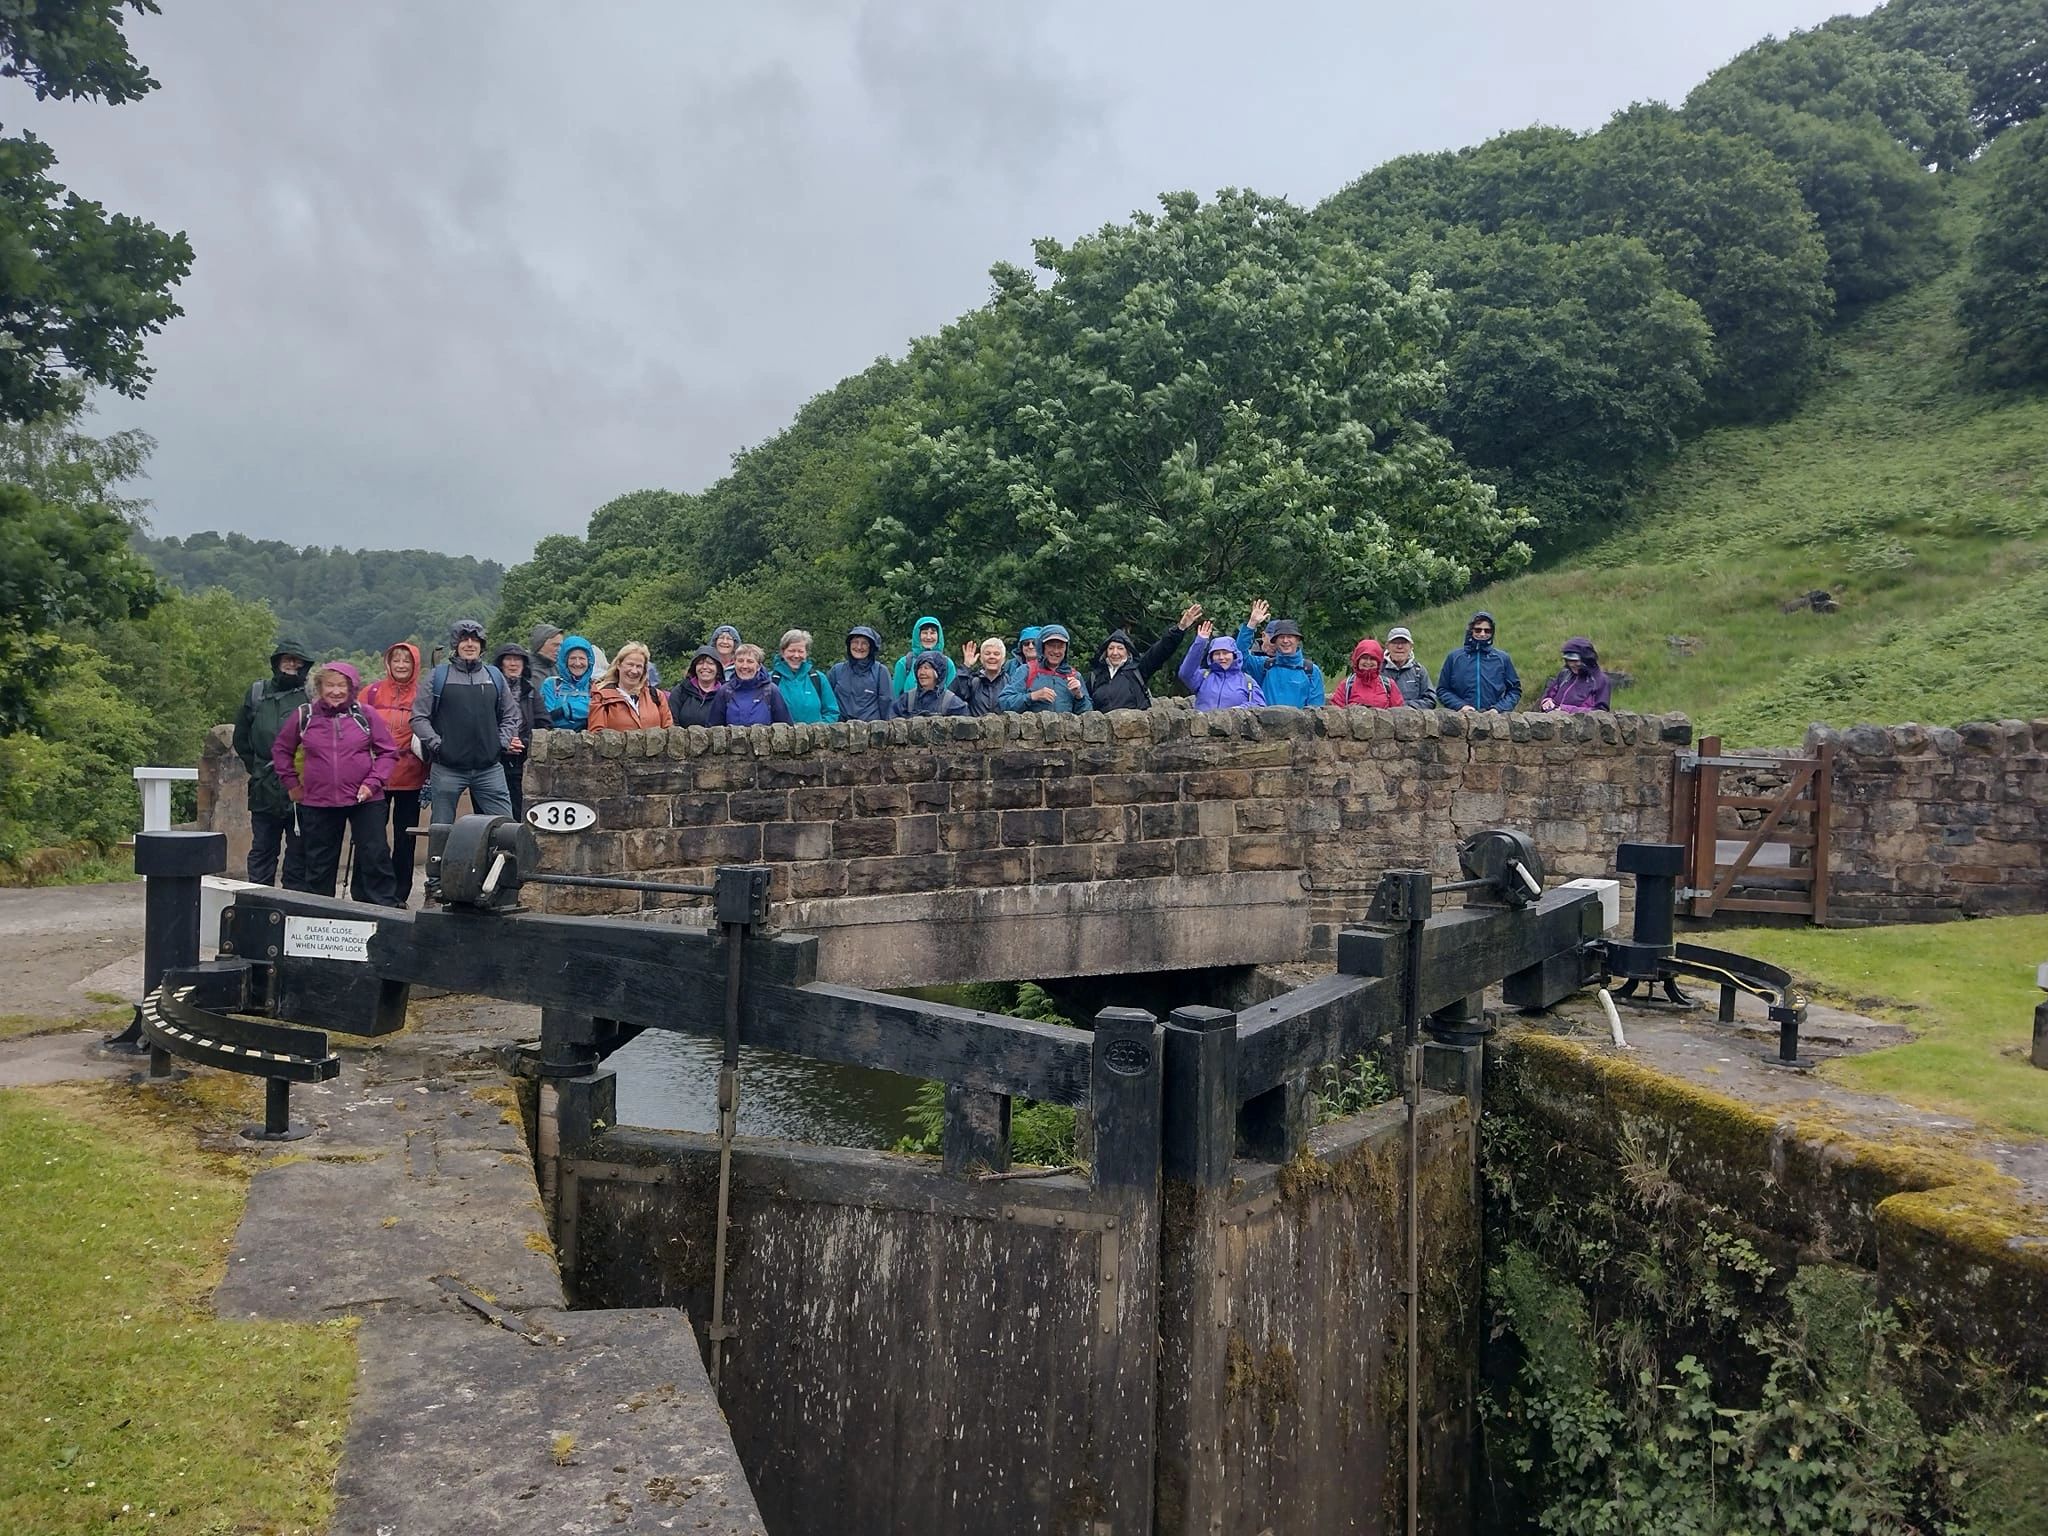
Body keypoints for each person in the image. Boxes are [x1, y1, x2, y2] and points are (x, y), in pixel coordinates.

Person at [269, 662, 400, 905]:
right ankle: (320, 912)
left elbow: (388, 752)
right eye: (330, 685)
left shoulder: (365, 714)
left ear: (352, 688)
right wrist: (292, 784)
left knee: (375, 855)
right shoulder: (304, 715)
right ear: (319, 687)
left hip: (366, 799)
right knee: (319, 862)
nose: (336, 691)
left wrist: (372, 783)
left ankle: (383, 909)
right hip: (318, 801)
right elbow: (281, 750)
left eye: (342, 686)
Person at [412, 619, 521, 823]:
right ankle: (440, 857)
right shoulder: (438, 676)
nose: (470, 644)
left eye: (475, 640)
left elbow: (510, 714)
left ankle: (504, 856)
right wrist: (437, 745)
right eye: (464, 639)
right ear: (455, 644)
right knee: (441, 828)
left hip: (489, 768)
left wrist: (501, 742)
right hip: (447, 768)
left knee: (507, 827)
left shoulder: (494, 676)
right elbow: (419, 717)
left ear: (481, 646)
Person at [231, 636, 317, 888]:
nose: (292, 665)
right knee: (263, 847)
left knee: (299, 849)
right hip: (264, 785)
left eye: (297, 661)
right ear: (277, 662)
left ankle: (292, 901)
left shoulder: (311, 697)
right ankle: (258, 900)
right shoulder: (258, 693)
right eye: (287, 659)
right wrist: (257, 768)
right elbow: (242, 737)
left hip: (302, 785)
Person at [358, 642, 428, 907]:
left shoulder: (423, 694)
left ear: (414, 665)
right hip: (375, 775)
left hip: (411, 775)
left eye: (406, 661)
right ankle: (366, 890)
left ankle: (399, 894)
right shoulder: (372, 692)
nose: (401, 665)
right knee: (370, 835)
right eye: (396, 660)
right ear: (388, 663)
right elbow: (356, 725)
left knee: (405, 838)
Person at [1091, 603, 1201, 711]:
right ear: (1105, 652)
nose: (1115, 653)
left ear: (1128, 652)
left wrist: (1180, 628)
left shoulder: (1138, 669)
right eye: (1111, 648)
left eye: (1120, 648)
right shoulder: (1095, 677)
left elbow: (1161, 651)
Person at [1236, 599, 1326, 708]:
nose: (1285, 641)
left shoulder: (1311, 671)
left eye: (1290, 637)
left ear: (1297, 640)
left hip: (1299, 725)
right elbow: (1240, 656)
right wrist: (1251, 624)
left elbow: (1316, 708)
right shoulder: (1264, 666)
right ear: (1275, 641)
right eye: (1281, 637)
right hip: (1265, 724)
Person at [1436, 610, 1522, 713]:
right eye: (1478, 630)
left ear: (1492, 632)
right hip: (1460, 718)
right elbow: (1443, 690)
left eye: (1487, 631)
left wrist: (1498, 709)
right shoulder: (1454, 658)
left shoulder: (1502, 659)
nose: (1482, 634)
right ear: (1471, 630)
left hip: (1494, 719)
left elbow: (1514, 690)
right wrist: (1460, 706)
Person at [492, 641, 541, 819]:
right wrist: (502, 742)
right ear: (500, 663)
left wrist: (524, 743)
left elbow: (544, 724)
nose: (513, 664)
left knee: (519, 810)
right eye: (509, 659)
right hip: (493, 759)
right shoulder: (489, 689)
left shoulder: (531, 691)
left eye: (517, 660)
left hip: (522, 760)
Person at [1000, 623, 1091, 713]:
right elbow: (1004, 702)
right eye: (1051, 645)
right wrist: (1032, 696)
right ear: (1042, 647)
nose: (1056, 651)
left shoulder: (1074, 676)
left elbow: (1088, 714)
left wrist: (1079, 696)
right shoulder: (1026, 670)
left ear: (1066, 649)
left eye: (1060, 646)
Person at [586, 641, 673, 731]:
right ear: (619, 665)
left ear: (644, 670)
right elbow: (597, 736)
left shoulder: (656, 696)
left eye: (639, 666)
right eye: (630, 665)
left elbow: (669, 732)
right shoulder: (601, 697)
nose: (634, 671)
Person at [1178, 624, 1264, 710]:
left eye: (1225, 653)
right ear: (1211, 657)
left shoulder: (1248, 682)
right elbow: (1185, 674)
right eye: (1217, 654)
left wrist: (1239, 710)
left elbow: (1260, 707)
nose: (1221, 657)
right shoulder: (1204, 677)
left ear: (1234, 655)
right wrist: (1200, 642)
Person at [770, 630, 840, 725]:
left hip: (816, 738)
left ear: (806, 653)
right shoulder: (770, 679)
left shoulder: (818, 678)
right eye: (792, 651)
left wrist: (818, 731)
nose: (796, 655)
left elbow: (832, 712)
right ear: (782, 652)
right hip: (781, 738)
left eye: (800, 651)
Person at [829, 625, 896, 721]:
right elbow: (827, 705)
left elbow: (887, 706)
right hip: (840, 730)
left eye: (864, 643)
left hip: (871, 731)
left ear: (871, 647)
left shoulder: (880, 671)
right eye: (855, 642)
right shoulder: (836, 671)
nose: (859, 647)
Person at [718, 643, 791, 727]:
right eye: (740, 661)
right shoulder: (725, 691)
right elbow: (714, 728)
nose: (744, 666)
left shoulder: (771, 691)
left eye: (750, 661)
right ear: (734, 663)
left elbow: (786, 728)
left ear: (758, 666)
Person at [1539, 637, 1613, 713]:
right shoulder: (1564, 674)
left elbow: (1601, 712)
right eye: (1568, 660)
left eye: (1575, 661)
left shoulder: (1601, 680)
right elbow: (1550, 693)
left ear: (1586, 659)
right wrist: (1547, 701)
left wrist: (1565, 710)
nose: (1571, 664)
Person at [540, 634, 597, 729]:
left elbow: (601, 712)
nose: (578, 663)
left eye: (582, 658)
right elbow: (547, 719)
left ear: (589, 661)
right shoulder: (551, 684)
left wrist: (565, 710)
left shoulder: (596, 686)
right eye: (573, 658)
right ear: (565, 661)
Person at [1330, 638, 1405, 708]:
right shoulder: (1346, 685)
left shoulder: (1388, 685)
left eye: (1372, 659)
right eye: (1364, 658)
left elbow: (1399, 713)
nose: (1368, 662)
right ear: (1357, 660)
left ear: (1378, 662)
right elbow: (1336, 713)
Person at [890, 615, 957, 694]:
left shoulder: (947, 664)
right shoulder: (904, 664)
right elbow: (894, 697)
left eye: (932, 633)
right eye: (925, 633)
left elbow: (953, 697)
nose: (928, 637)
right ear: (918, 635)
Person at [668, 646, 729, 727]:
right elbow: (672, 722)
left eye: (710, 663)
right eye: (700, 663)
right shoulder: (680, 691)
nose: (704, 667)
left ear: (718, 668)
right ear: (694, 667)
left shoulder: (726, 693)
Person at [952, 637, 1009, 715]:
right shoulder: (973, 681)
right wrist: (966, 666)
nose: (991, 657)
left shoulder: (1009, 682)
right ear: (981, 659)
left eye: (996, 654)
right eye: (987, 653)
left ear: (1003, 659)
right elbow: (956, 696)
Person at [1380, 627, 1435, 709]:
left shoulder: (1419, 671)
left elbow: (1430, 700)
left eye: (1404, 643)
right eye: (1395, 642)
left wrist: (1404, 707)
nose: (1399, 646)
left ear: (1411, 646)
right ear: (1387, 646)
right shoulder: (1378, 671)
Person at [901, 652, 969, 716]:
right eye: (920, 668)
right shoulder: (906, 700)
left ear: (938, 672)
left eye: (926, 668)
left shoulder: (952, 703)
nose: (922, 672)